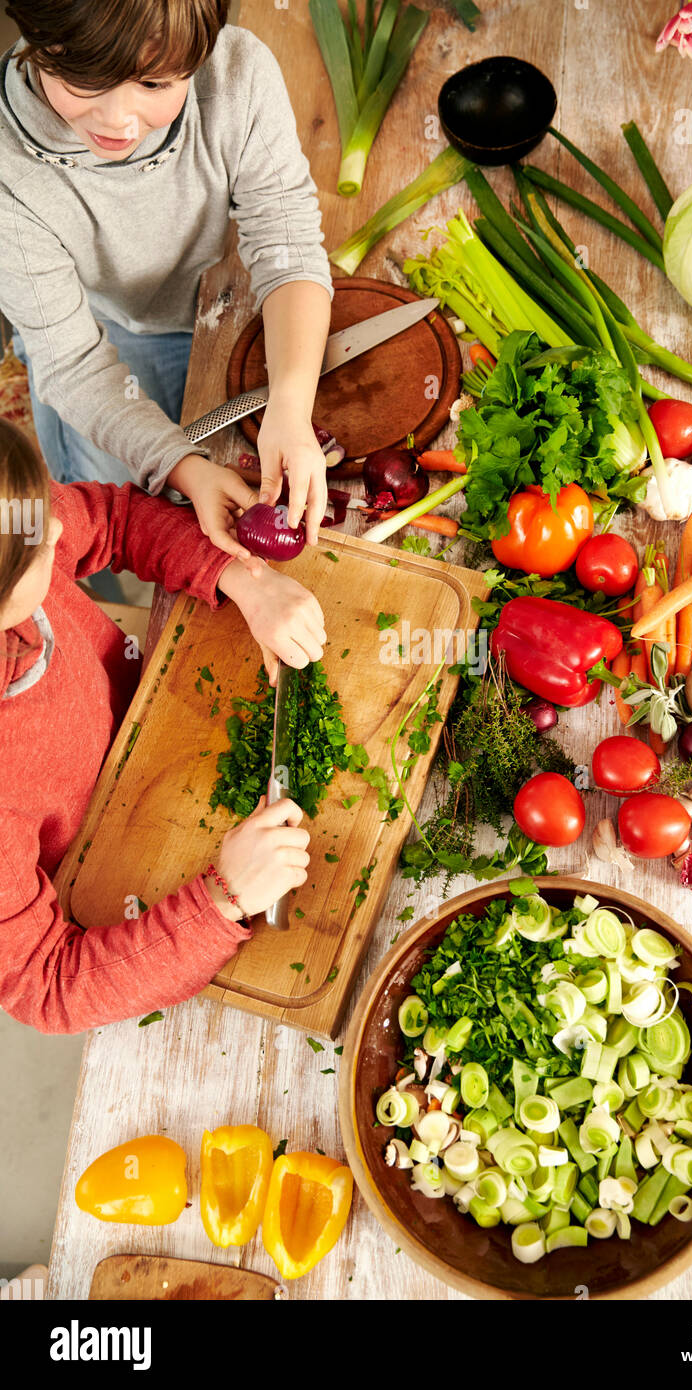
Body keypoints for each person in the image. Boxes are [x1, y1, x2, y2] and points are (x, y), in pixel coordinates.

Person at [0, 417, 324, 1033]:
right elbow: (50, 987)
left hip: (157, 729)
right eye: (38, 544)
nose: (59, 528)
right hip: (123, 882)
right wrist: (223, 898)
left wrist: (234, 577)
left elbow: (111, 519)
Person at [0, 0, 334, 563]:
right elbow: (75, 364)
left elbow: (288, 245)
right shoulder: (9, 176)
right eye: (85, 80)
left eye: (154, 83)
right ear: (36, 41)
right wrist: (187, 471)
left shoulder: (239, 76)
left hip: (209, 312)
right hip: (93, 333)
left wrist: (292, 405)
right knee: (107, 510)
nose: (119, 120)